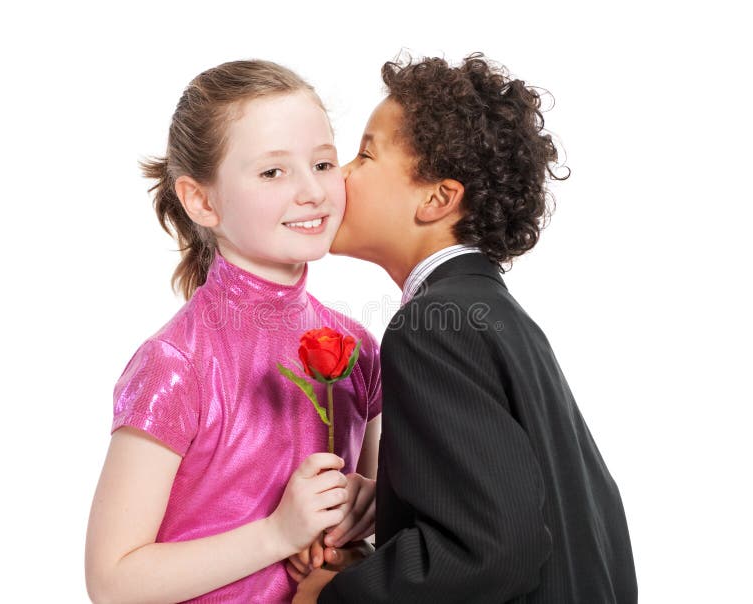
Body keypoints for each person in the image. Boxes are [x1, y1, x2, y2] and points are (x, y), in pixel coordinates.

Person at [295, 53, 637, 603]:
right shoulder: (496, 316)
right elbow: (538, 509)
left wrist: (335, 595)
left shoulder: (430, 327)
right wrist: (389, 498)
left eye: (364, 154)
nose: (341, 174)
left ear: (436, 199)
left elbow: (494, 551)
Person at [84, 60, 382, 604]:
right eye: (273, 172)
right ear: (202, 200)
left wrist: (364, 513)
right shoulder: (175, 363)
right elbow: (112, 582)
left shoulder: (358, 348)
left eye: (322, 163)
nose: (312, 191)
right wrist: (276, 534)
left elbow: (379, 538)